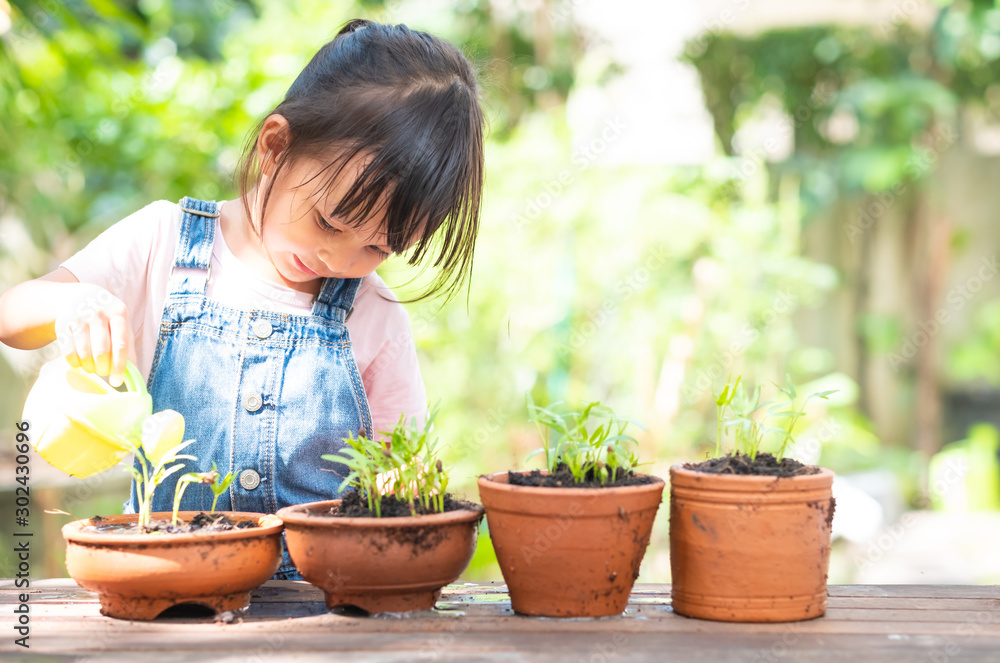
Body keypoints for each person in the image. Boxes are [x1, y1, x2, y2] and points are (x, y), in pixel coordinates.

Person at [0, 19, 484, 578]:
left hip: (318, 608)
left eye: (379, 246)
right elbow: (12, 315)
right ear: (276, 146)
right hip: (165, 585)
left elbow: (400, 476)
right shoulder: (162, 241)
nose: (340, 260)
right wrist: (73, 303)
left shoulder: (374, 314)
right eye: (328, 221)